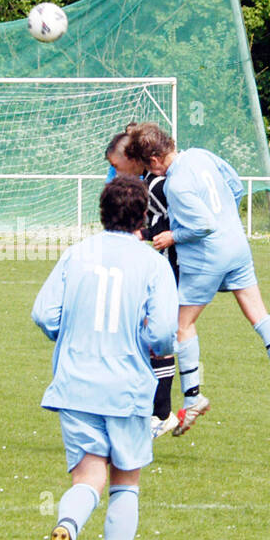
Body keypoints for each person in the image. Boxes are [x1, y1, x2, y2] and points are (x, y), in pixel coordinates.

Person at [32, 175, 178, 540]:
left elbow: (44, 314)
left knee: (89, 478)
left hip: (76, 384)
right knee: (125, 484)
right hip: (127, 388)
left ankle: (68, 527)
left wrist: (70, 335)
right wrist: (150, 345)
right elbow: (166, 333)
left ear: (102, 214)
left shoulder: (77, 254)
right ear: (145, 218)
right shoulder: (152, 262)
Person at [124, 124, 270, 432]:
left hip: (208, 257)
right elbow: (235, 186)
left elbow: (203, 225)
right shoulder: (202, 155)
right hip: (238, 247)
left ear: (153, 160)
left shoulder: (175, 183)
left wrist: (172, 235)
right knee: (259, 315)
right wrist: (226, 217)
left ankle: (193, 398)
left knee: (182, 326)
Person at [105, 128, 180, 439]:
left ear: (135, 160)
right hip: (146, 264)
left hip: (166, 266)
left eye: (118, 166)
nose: (115, 173)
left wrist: (168, 236)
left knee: (157, 333)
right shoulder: (144, 183)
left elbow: (172, 223)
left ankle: (162, 412)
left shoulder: (163, 184)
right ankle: (150, 410)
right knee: (141, 335)